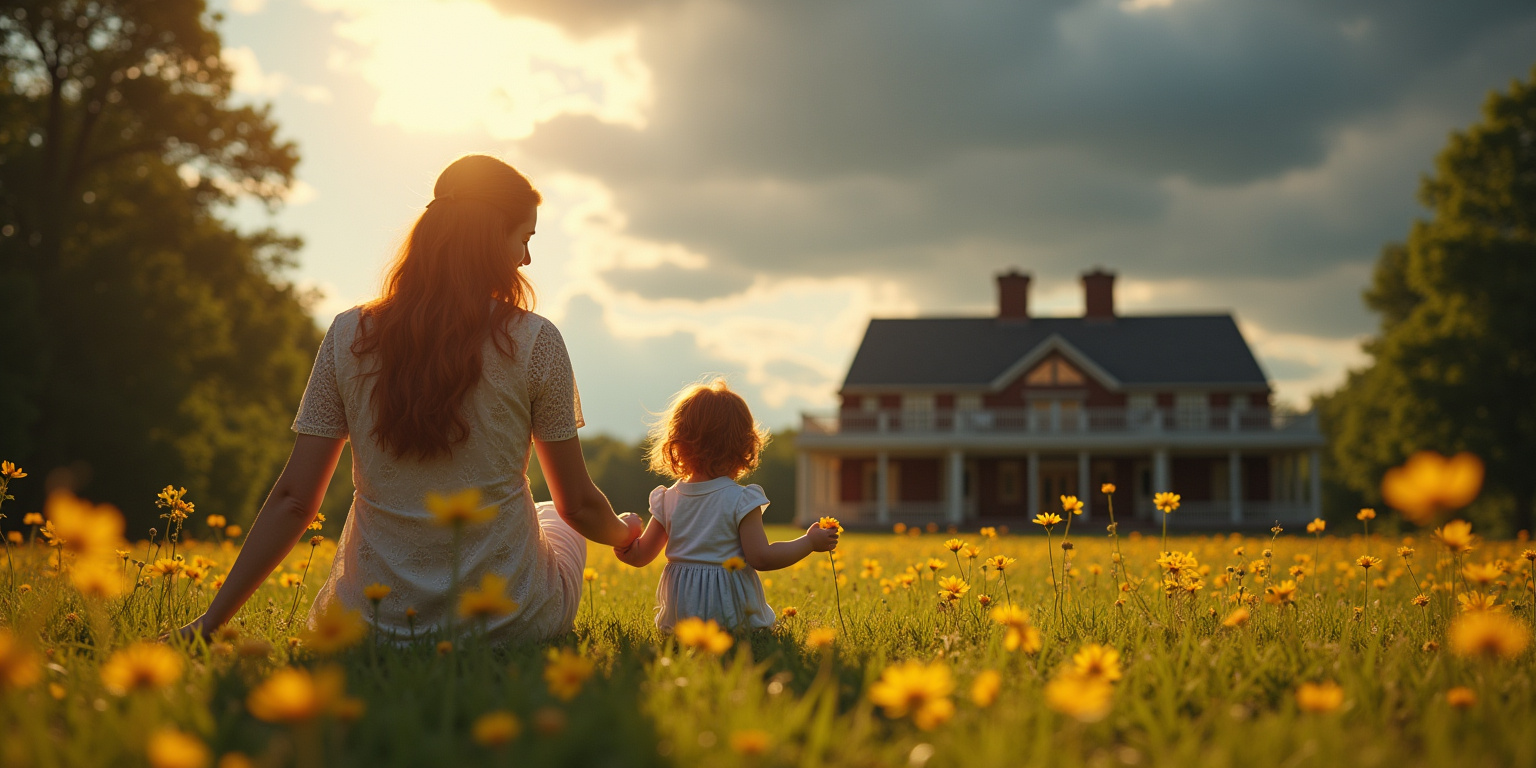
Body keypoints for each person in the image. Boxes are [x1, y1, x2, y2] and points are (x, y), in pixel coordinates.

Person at [178, 154, 642, 643]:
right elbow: (578, 508)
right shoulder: (535, 340)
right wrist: (628, 535)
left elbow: (294, 500)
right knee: (552, 513)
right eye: (523, 238)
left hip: (370, 625)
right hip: (509, 621)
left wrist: (209, 623)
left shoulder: (347, 335)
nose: (526, 259)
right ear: (490, 238)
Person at [613, 379, 838, 632]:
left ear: (677, 443)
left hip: (681, 623)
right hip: (734, 620)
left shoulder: (667, 499)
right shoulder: (741, 499)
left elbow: (640, 556)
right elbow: (761, 558)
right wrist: (808, 542)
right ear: (745, 446)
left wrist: (622, 534)